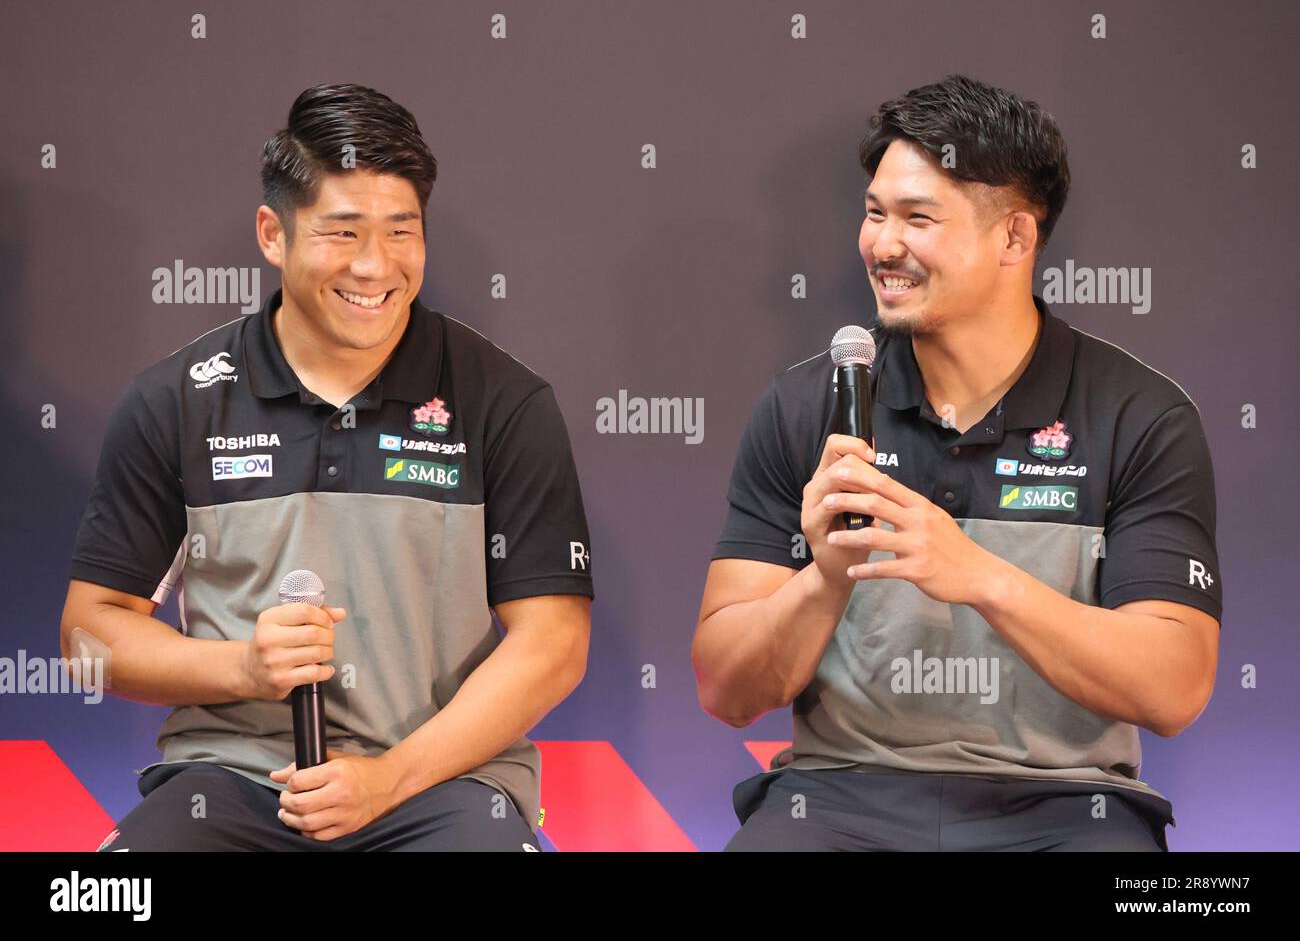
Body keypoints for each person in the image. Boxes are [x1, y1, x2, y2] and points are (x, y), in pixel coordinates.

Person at [693, 75, 1221, 851]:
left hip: (1069, 807)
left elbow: (1174, 688)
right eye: (875, 213)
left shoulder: (1141, 415)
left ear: (1015, 238)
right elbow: (726, 690)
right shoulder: (806, 407)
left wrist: (979, 573)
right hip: (839, 796)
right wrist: (827, 574)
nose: (883, 243)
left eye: (918, 217)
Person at [63, 83, 594, 851]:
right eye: (342, 233)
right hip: (236, 781)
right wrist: (242, 667)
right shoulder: (173, 400)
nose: (375, 267)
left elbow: (554, 645)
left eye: (401, 232)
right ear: (272, 233)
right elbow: (88, 636)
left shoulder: (504, 399)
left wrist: (390, 778)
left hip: (443, 783)